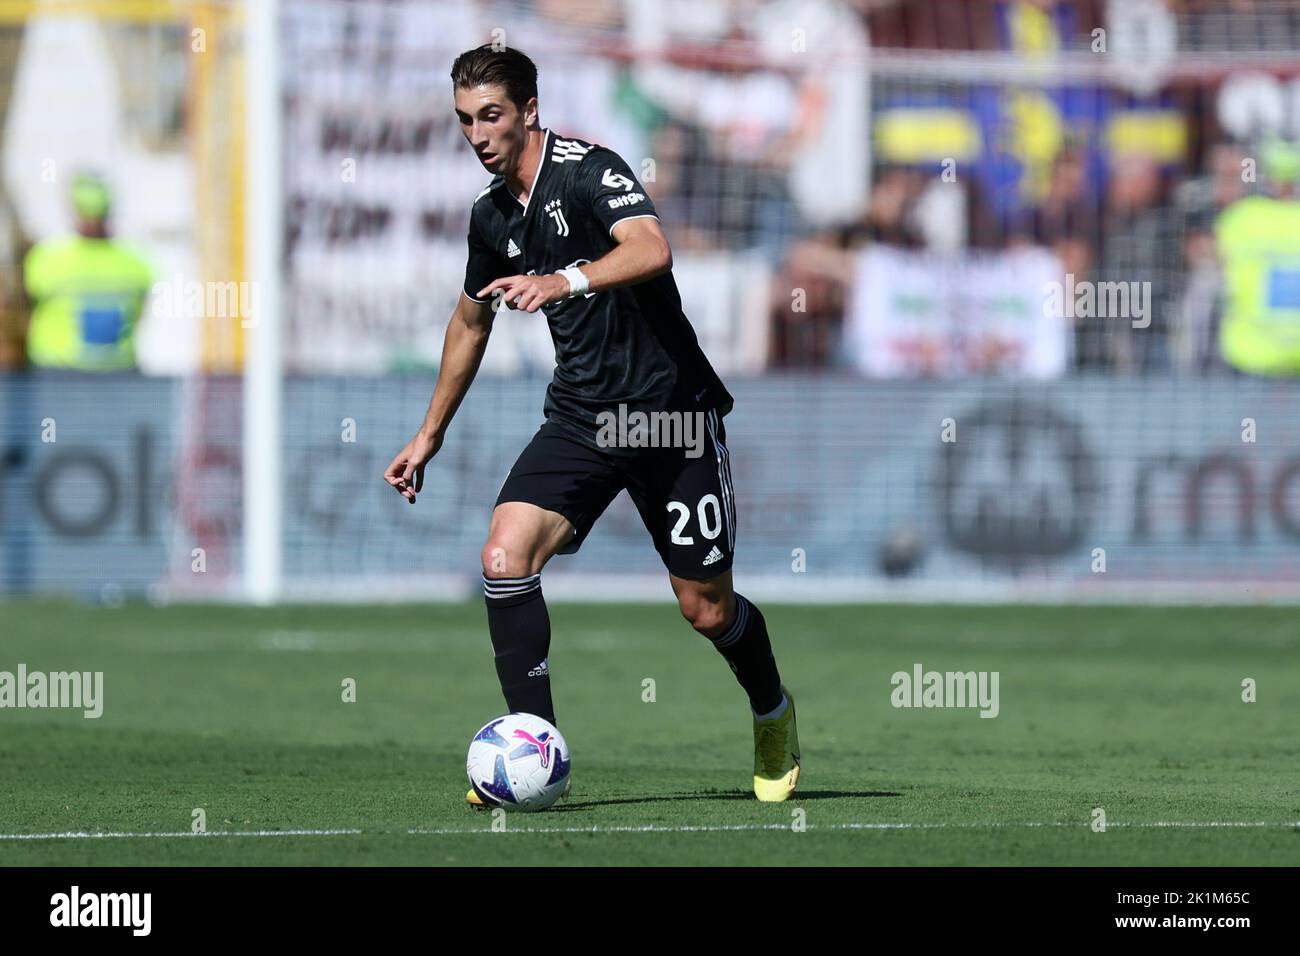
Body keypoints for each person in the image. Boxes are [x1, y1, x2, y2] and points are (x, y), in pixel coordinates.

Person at [382, 45, 800, 806]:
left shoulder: (588, 169)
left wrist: (563, 278)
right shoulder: (491, 215)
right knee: (505, 556)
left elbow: (650, 247)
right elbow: (470, 322)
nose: (477, 135)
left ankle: (771, 708)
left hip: (669, 419)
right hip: (583, 419)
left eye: (492, 117)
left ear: (530, 111)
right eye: (464, 120)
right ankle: (535, 749)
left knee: (704, 608)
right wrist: (429, 432)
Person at [23, 172, 153, 370]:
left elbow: (25, 311)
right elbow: (141, 313)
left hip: (58, 379)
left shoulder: (46, 259)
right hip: (114, 377)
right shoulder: (137, 261)